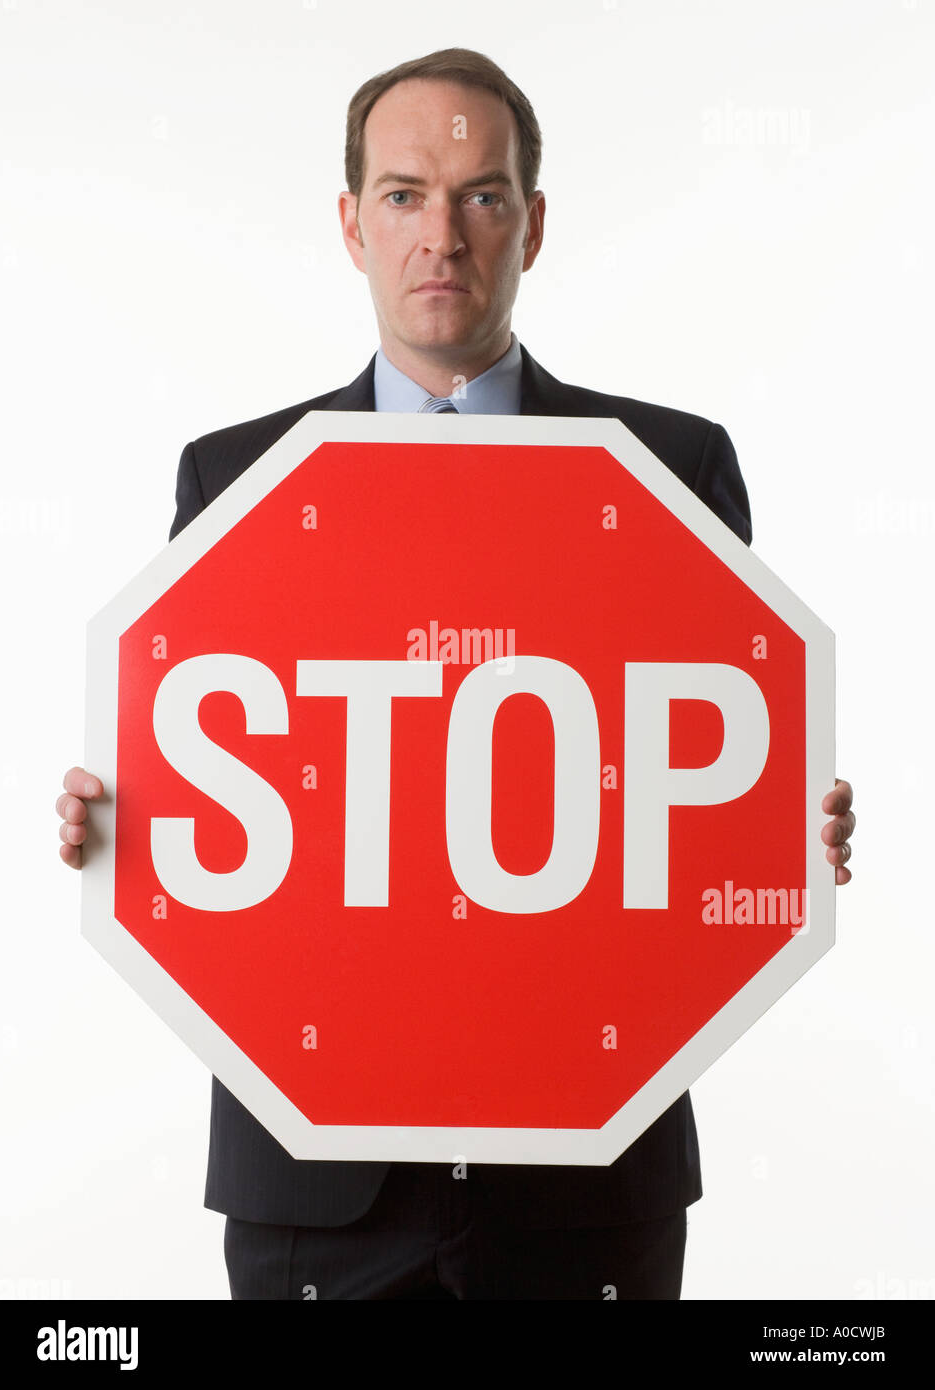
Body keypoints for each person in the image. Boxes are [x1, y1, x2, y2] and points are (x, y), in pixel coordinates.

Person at [56, 48, 855, 1300]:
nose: (443, 233)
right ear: (350, 224)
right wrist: (122, 820)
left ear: (532, 227)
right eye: (404, 194)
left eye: (483, 196)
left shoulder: (672, 469)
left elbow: (713, 775)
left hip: (590, 1190)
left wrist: (777, 826)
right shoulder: (234, 477)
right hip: (316, 1191)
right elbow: (212, 779)